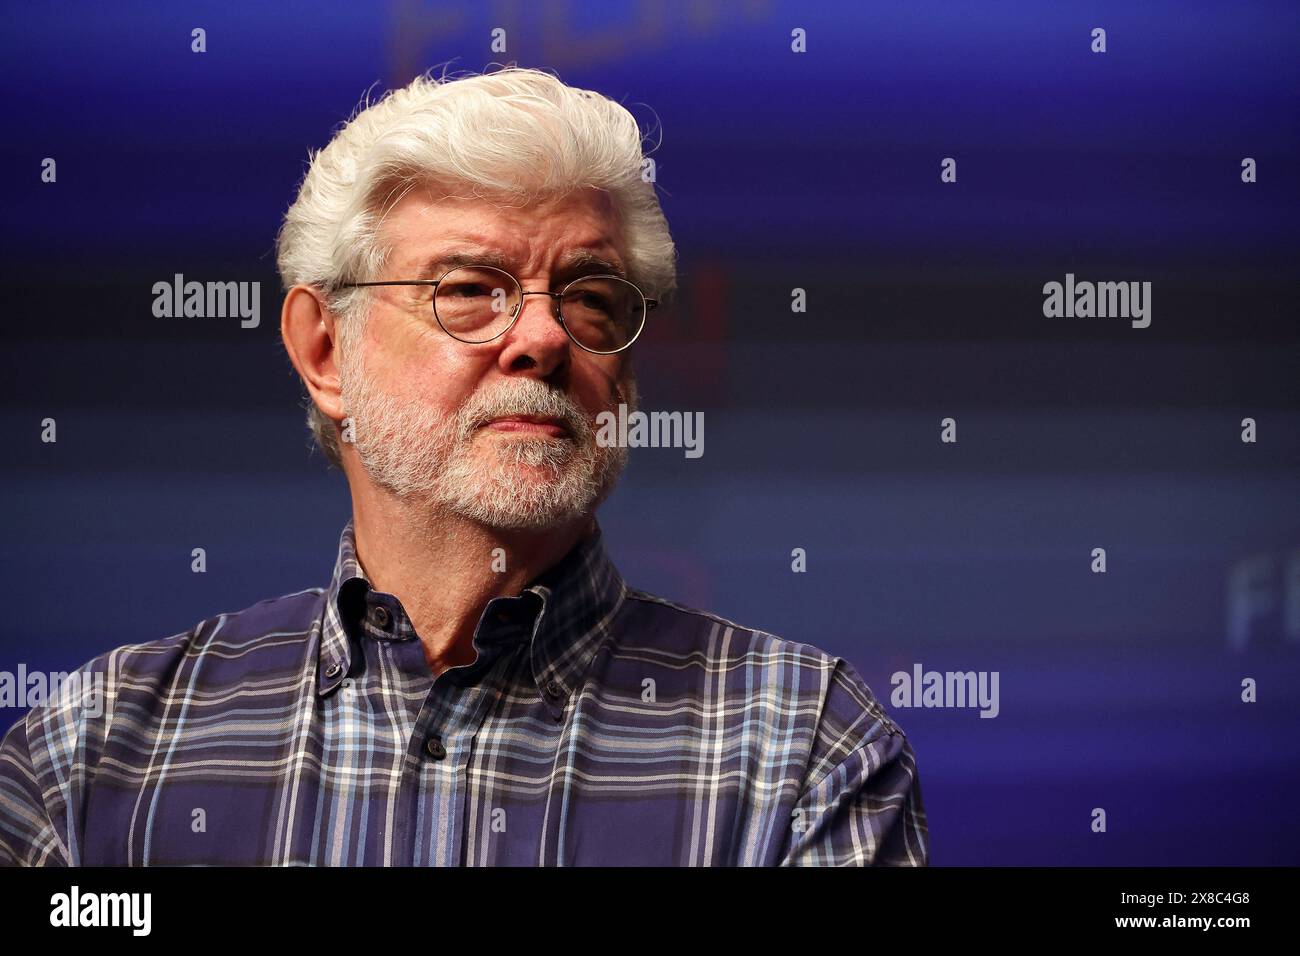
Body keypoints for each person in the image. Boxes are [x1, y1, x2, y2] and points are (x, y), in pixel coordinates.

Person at [0, 66, 927, 866]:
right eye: (471, 290)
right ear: (325, 352)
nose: (541, 337)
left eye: (590, 296)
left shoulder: (800, 746)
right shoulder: (93, 755)